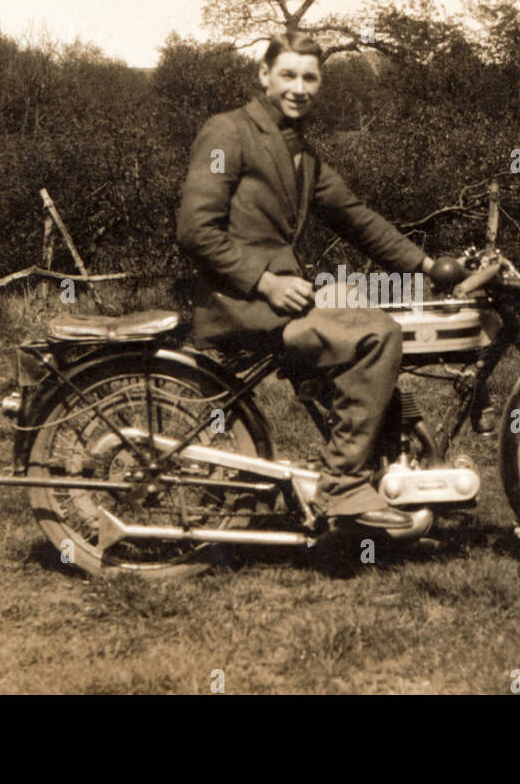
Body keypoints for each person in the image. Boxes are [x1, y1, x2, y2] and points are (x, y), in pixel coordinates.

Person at [176, 29, 438, 529]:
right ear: (264, 75)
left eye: (310, 77)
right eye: (288, 75)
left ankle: (382, 467)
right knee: (377, 334)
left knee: (369, 315)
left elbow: (356, 217)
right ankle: (341, 486)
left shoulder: (302, 154)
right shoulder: (227, 133)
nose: (299, 87)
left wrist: (428, 266)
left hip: (274, 299)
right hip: (240, 303)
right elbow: (194, 229)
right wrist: (266, 282)